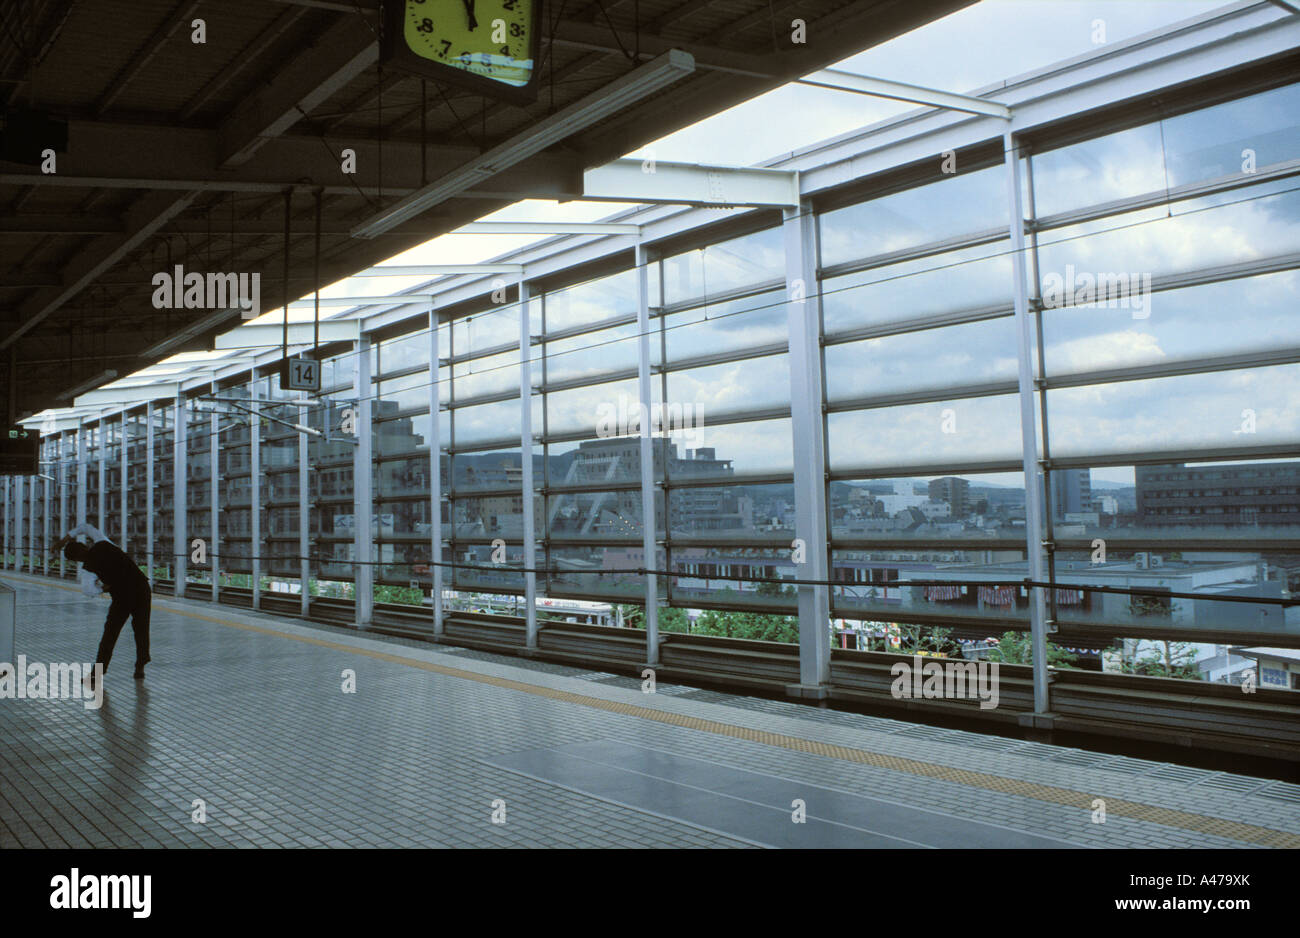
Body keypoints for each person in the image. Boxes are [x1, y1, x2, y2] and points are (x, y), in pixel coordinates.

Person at [52, 523, 151, 683]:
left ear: (77, 560)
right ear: (84, 545)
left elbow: (88, 590)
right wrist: (65, 539)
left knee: (110, 634)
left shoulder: (88, 569)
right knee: (141, 629)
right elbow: (87, 527)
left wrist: (103, 588)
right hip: (142, 588)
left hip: (122, 596)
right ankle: (140, 666)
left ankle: (96, 674)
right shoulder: (103, 542)